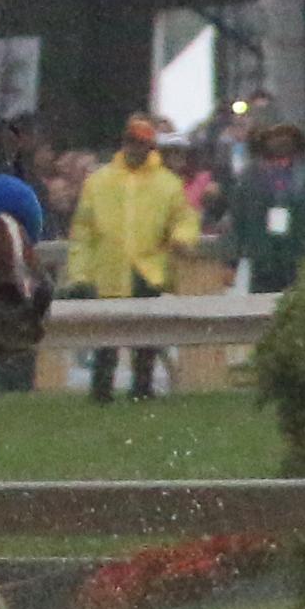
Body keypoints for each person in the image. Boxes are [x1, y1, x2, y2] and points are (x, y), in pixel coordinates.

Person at [68, 110, 200, 396]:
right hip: (108, 269)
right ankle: (101, 392)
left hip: (148, 270)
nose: (135, 147)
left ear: (150, 146)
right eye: (131, 141)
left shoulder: (167, 184)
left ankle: (142, 390)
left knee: (146, 339)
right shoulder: (99, 181)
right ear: (124, 142)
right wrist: (79, 273)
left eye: (141, 142)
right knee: (106, 338)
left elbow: (185, 220)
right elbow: (82, 232)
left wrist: (181, 239)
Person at [222, 111, 305, 298]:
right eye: (272, 136)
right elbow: (238, 219)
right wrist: (230, 261)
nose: (278, 142)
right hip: (265, 263)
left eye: (283, 135)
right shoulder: (250, 177)